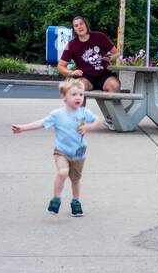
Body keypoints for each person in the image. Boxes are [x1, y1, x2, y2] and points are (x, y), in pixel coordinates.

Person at [11, 77, 105, 216]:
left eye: (81, 94)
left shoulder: (84, 112)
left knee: (76, 180)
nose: (78, 97)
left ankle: (75, 201)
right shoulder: (57, 114)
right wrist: (22, 128)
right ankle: (56, 199)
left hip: (79, 154)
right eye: (74, 94)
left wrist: (88, 127)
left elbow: (99, 122)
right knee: (62, 172)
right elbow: (41, 123)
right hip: (61, 152)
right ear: (64, 96)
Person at [57, 16, 120, 92]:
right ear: (74, 30)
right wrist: (72, 72)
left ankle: (114, 104)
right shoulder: (71, 45)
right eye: (76, 26)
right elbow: (60, 66)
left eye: (81, 24)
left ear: (86, 25)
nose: (79, 27)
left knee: (115, 85)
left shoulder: (100, 36)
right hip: (85, 76)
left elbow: (117, 53)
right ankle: (81, 104)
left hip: (104, 75)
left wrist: (111, 58)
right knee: (79, 87)